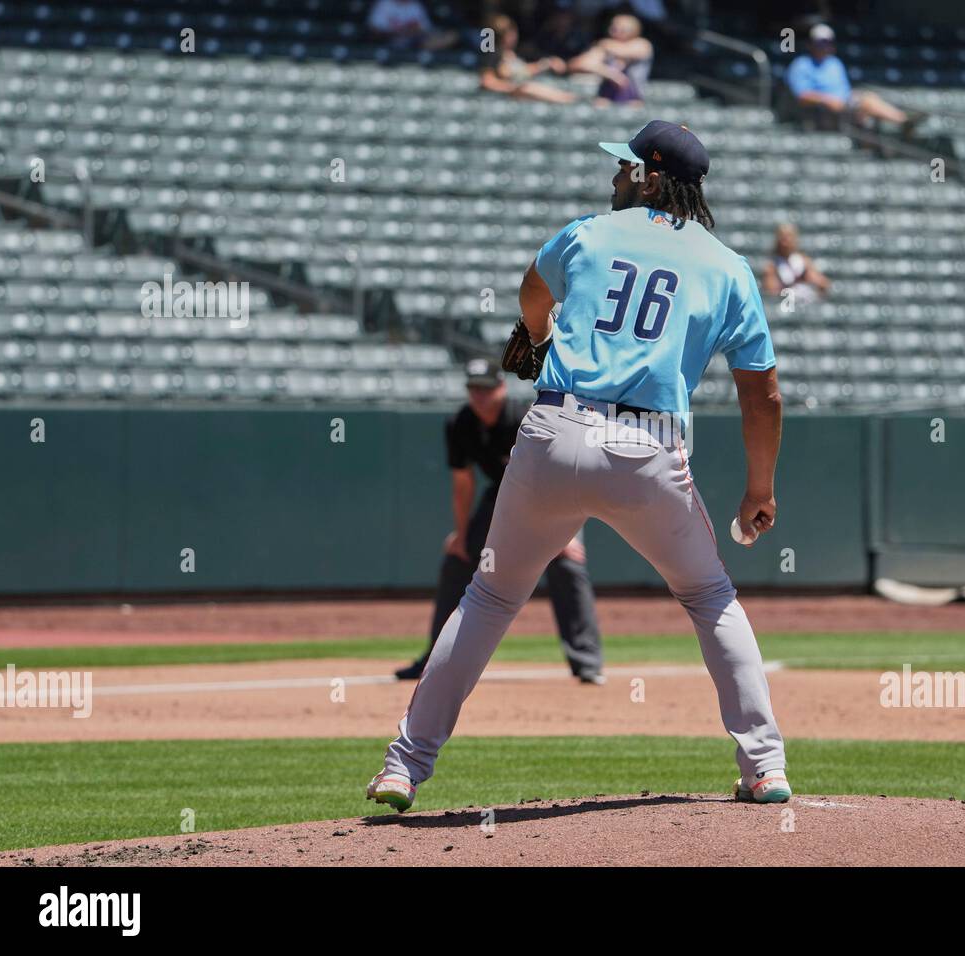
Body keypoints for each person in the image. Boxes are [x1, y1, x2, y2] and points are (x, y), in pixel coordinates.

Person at [367, 120, 791, 812]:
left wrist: (530, 344)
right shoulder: (728, 266)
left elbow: (533, 295)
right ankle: (765, 768)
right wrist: (760, 488)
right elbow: (762, 394)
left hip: (554, 431)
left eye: (627, 166)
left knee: (490, 598)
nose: (616, 176)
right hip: (647, 449)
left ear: (652, 176)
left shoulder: (590, 233)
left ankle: (404, 765)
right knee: (710, 597)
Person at [392, 358, 604, 684]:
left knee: (567, 564)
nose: (479, 396)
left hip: (553, 496)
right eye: (473, 389)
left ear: (502, 388)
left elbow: (566, 474)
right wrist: (462, 536)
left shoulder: (526, 419)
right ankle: (434, 660)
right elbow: (463, 483)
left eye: (486, 389)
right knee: (457, 559)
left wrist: (566, 536)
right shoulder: (460, 424)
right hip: (504, 497)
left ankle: (587, 662)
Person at [786, 23, 922, 136]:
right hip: (823, 111)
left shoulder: (835, 63)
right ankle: (902, 121)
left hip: (846, 107)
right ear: (810, 44)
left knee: (868, 109)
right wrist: (827, 100)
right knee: (867, 101)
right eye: (820, 43)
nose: (824, 47)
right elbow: (802, 96)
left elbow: (845, 90)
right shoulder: (801, 64)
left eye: (827, 42)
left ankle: (890, 138)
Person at [479, 14, 576, 104]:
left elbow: (524, 70)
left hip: (521, 93)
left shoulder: (512, 54)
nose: (515, 36)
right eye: (511, 32)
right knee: (528, 88)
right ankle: (568, 101)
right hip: (508, 97)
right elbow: (487, 81)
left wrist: (545, 64)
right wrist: (512, 88)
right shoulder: (493, 55)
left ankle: (571, 100)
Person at [567, 13, 654, 107]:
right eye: (614, 27)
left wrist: (603, 45)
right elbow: (578, 64)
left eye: (622, 28)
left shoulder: (642, 44)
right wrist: (610, 74)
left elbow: (623, 51)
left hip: (632, 100)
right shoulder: (604, 47)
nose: (615, 31)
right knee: (599, 104)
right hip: (606, 99)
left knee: (634, 106)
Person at [761, 223, 830, 305]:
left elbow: (823, 284)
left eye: (789, 236)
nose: (786, 240)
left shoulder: (804, 261)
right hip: (784, 307)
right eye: (783, 237)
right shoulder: (772, 265)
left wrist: (808, 278)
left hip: (804, 306)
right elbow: (771, 292)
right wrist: (792, 283)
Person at [367, 0, 457, 51]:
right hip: (390, 40)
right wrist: (401, 30)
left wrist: (412, 30)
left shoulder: (415, 5)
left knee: (451, 35)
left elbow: (425, 29)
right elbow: (374, 28)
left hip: (414, 42)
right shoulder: (385, 4)